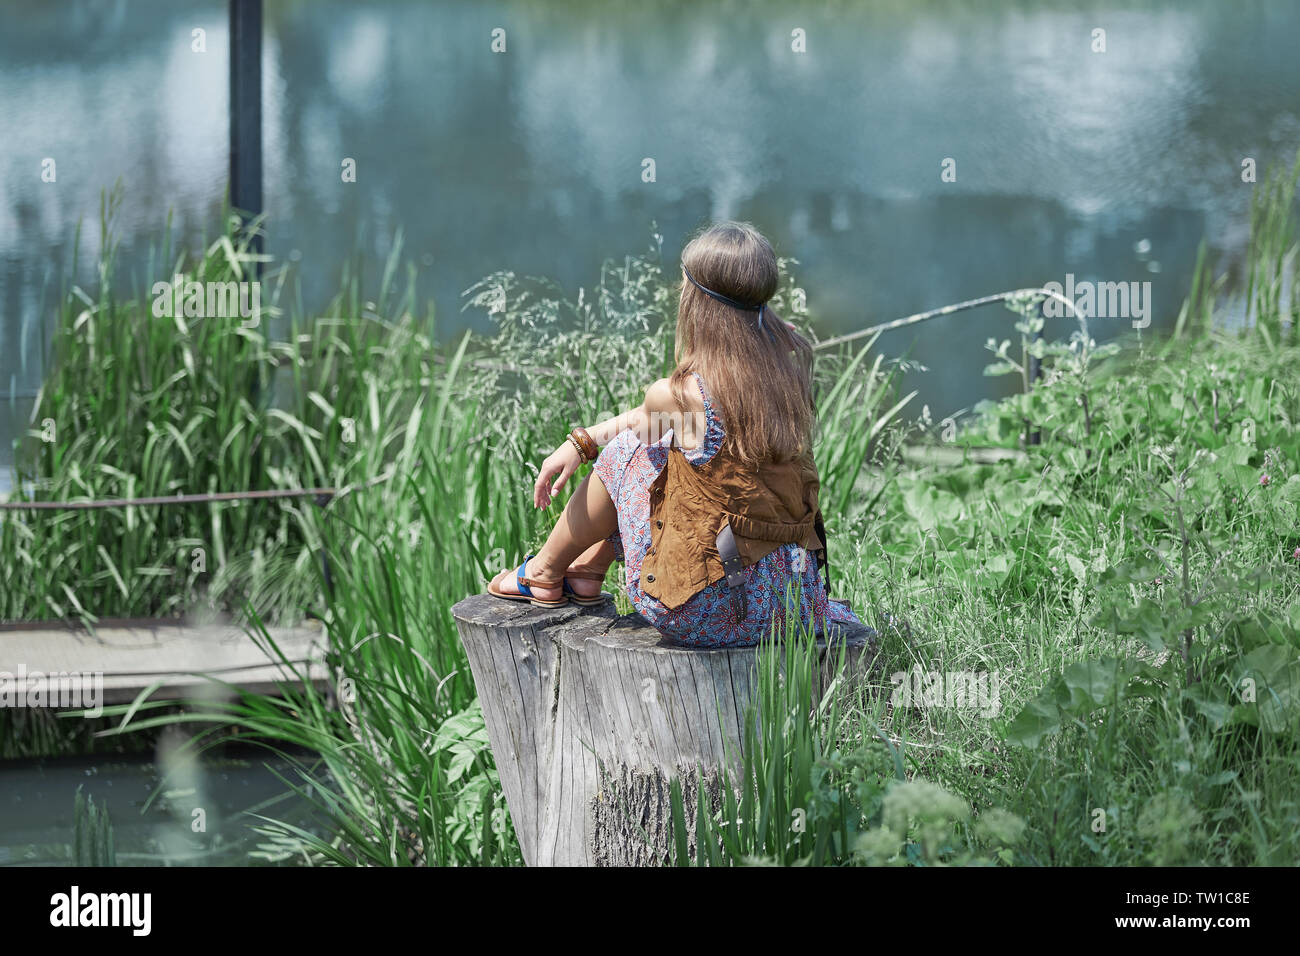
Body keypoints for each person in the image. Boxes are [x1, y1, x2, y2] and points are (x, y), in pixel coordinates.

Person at [488, 221, 863, 647]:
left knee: (632, 451)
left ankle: (543, 572)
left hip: (715, 610)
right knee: (666, 452)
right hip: (791, 602)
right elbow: (676, 413)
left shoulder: (678, 395)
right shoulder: (788, 369)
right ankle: (587, 571)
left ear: (696, 301)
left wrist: (583, 443)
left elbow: (644, 428)